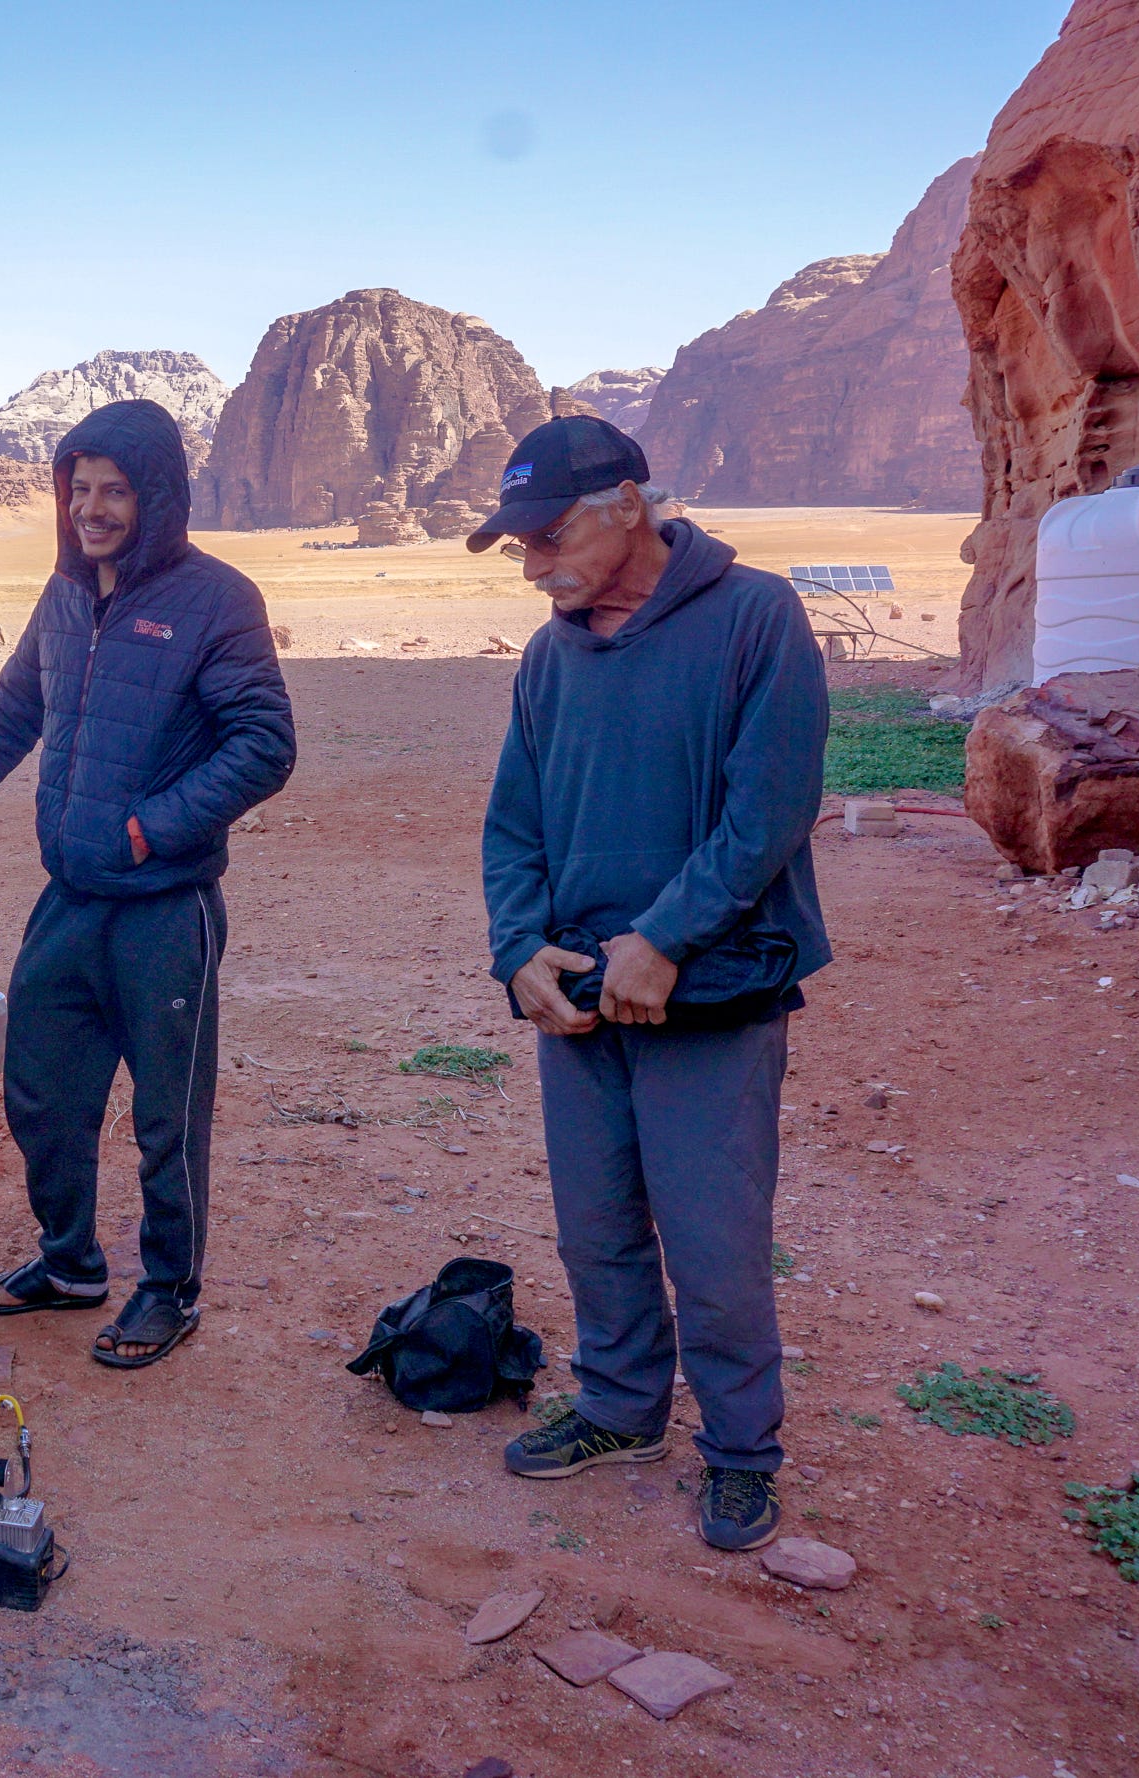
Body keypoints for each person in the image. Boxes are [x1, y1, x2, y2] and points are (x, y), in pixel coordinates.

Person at [471, 413, 830, 1552]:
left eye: (547, 538)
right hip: (577, 993)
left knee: (716, 1239)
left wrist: (665, 937)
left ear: (631, 502)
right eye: (519, 547)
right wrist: (517, 945)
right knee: (597, 1226)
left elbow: (768, 810)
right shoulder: (547, 657)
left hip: (711, 990)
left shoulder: (755, 617)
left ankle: (739, 1450)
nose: (533, 567)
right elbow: (513, 821)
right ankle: (623, 1409)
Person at [0, 399, 295, 1368]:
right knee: (40, 1089)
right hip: (73, 897)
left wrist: (155, 827)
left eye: (115, 490)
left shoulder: (216, 600)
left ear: (156, 497)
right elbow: (11, 711)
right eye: (80, 489)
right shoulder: (64, 598)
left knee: (166, 1111)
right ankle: (69, 1261)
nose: (93, 509)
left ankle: (170, 1287)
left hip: (165, 906)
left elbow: (266, 743)